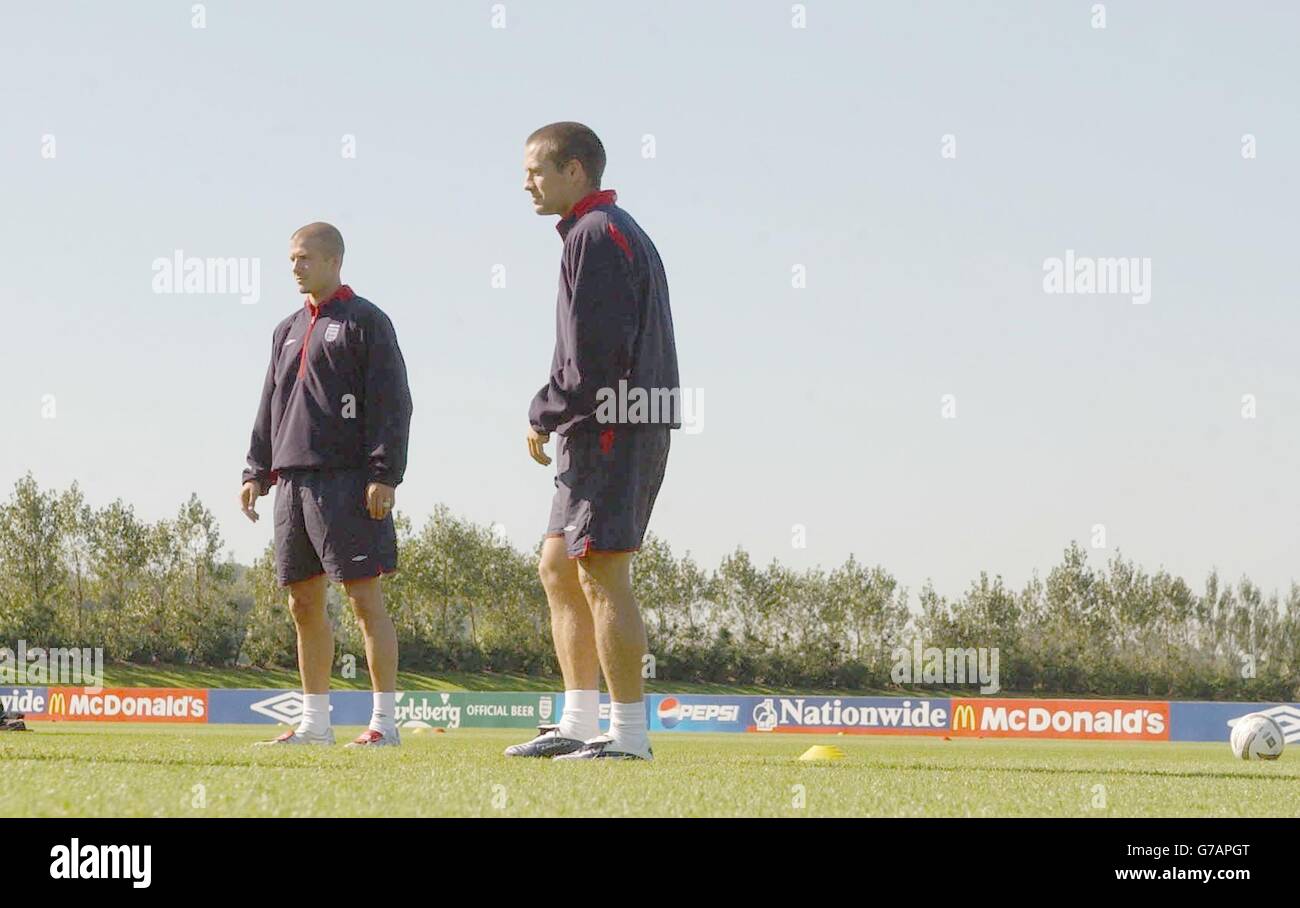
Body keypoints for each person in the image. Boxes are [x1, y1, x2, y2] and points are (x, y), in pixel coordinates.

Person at [507, 122, 680, 761]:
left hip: (614, 423)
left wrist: (545, 410)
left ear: (576, 171)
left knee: (602, 568)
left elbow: (594, 357)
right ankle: (577, 722)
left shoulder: (596, 235)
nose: (526, 182)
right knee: (558, 566)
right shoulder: (601, 230)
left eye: (537, 170)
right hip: (607, 419)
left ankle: (629, 736)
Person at [240, 222, 413, 747]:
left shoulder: (366, 321)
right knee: (301, 603)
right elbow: (271, 403)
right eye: (291, 258)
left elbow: (393, 402)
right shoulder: (285, 328)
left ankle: (385, 724)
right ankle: (315, 724)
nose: (295, 267)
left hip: (347, 482)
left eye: (305, 258)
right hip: (291, 483)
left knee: (364, 599)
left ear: (335, 261)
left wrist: (385, 474)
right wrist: (255, 469)